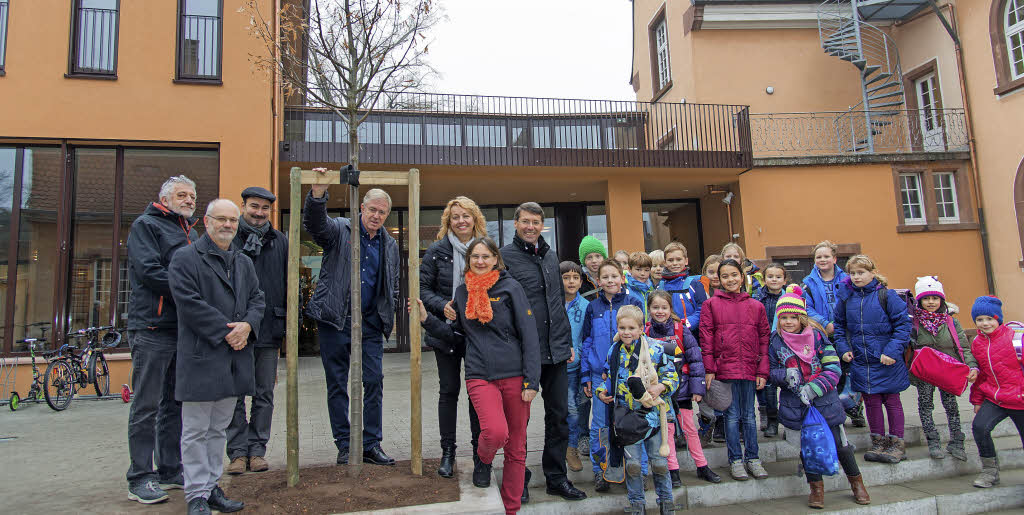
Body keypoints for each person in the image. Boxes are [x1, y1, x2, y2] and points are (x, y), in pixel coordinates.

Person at [417, 236, 540, 515]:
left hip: (515, 376)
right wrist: (428, 319)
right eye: (475, 257)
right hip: (479, 374)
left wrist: (532, 381)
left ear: (496, 259)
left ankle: (511, 509)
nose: (481, 261)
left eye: (486, 256)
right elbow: (456, 337)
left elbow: (530, 336)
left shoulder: (511, 288)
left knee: (517, 449)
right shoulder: (462, 293)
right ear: (468, 261)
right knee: (495, 432)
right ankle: (483, 459)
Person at [169, 199, 265, 515]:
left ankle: (211, 487)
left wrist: (249, 325)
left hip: (233, 360)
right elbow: (189, 303)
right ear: (207, 222)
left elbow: (257, 299)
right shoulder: (185, 259)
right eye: (221, 219)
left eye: (232, 221)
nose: (227, 225)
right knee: (195, 430)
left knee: (218, 429)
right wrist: (229, 331)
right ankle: (195, 494)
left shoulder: (242, 262)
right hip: (202, 357)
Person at [304, 184, 400, 467]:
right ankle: (344, 445)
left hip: (369, 323)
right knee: (337, 384)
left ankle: (371, 444)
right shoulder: (340, 230)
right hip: (336, 320)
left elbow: (392, 283)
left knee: (373, 381)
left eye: (382, 212)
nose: (376, 216)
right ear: (361, 208)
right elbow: (315, 224)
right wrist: (318, 196)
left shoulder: (389, 244)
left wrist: (388, 310)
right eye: (372, 210)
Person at [500, 203, 586, 501]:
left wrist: (568, 343)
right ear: (516, 223)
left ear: (542, 225)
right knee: (518, 421)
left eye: (536, 222)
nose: (531, 227)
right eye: (525, 221)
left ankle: (556, 477)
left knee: (559, 417)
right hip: (524, 355)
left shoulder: (551, 257)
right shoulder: (505, 259)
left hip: (557, 351)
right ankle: (517, 479)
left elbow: (556, 304)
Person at [125, 175, 198, 504]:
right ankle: (140, 476)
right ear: (165, 199)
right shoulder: (146, 226)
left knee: (174, 403)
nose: (189, 200)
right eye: (182, 195)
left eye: (192, 196)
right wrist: (191, 293)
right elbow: (149, 271)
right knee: (146, 405)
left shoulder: (190, 232)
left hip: (181, 329)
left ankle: (170, 468)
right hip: (152, 327)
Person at [767, 286, 869, 509]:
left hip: (824, 401)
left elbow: (833, 368)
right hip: (796, 403)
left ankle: (857, 483)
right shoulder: (775, 341)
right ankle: (816, 489)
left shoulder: (817, 336)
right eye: (783, 317)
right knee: (808, 447)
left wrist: (815, 387)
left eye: (793, 317)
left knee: (841, 445)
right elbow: (771, 371)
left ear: (802, 317)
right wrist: (784, 375)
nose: (788, 322)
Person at [420, 197, 487, 479]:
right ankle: (448, 452)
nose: (461, 221)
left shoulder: (484, 249)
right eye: (455, 217)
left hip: (478, 333)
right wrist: (441, 304)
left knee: (477, 394)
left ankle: (478, 452)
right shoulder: (436, 251)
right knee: (448, 391)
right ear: (449, 221)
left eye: (466, 216)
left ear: (474, 219)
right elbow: (422, 289)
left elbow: (498, 282)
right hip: (445, 332)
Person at [226, 187, 287, 475]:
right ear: (243, 206)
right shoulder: (228, 238)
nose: (259, 213)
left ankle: (257, 450)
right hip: (235, 330)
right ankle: (237, 453)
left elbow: (288, 283)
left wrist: (286, 324)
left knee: (264, 393)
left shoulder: (280, 241)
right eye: (254, 206)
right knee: (235, 393)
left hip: (268, 329)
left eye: (265, 208)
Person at [596, 305, 678, 515]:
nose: (626, 332)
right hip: (626, 417)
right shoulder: (613, 351)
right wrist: (601, 392)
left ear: (641, 328)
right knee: (632, 465)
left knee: (659, 463)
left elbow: (673, 377)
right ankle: (636, 503)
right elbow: (607, 376)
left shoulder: (656, 349)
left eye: (631, 327)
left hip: (652, 417)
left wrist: (660, 386)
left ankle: (666, 502)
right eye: (622, 327)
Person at [835, 255, 911, 463]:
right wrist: (843, 348)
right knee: (871, 402)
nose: (856, 277)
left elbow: (903, 327)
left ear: (872, 273)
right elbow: (839, 326)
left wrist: (891, 352)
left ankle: (897, 443)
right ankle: (878, 441)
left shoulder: (887, 296)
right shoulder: (846, 298)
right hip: (861, 360)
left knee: (892, 401)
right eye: (853, 273)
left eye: (861, 272)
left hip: (886, 359)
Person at [699, 259, 770, 481]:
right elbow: (706, 338)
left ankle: (753, 458)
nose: (730, 279)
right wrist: (709, 368)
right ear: (719, 279)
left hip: (749, 368)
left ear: (742, 276)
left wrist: (762, 371)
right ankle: (736, 460)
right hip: (724, 368)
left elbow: (764, 339)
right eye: (725, 276)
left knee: (749, 416)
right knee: (731, 417)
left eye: (734, 275)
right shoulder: (710, 305)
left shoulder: (756, 306)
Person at [580, 259, 644, 491]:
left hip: (628, 376)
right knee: (600, 424)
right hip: (600, 376)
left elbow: (642, 338)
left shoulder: (633, 302)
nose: (610, 280)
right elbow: (586, 341)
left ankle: (639, 469)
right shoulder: (592, 307)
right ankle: (601, 470)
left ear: (622, 278)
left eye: (614, 276)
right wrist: (586, 373)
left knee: (632, 422)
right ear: (598, 281)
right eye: (605, 277)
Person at [645, 290, 721, 485]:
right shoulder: (646, 333)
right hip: (662, 393)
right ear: (649, 310)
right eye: (655, 307)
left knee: (690, 429)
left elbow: (695, 359)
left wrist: (698, 388)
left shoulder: (681, 330)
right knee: (667, 431)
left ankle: (702, 465)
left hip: (684, 389)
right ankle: (673, 470)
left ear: (671, 309)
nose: (660, 311)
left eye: (664, 307)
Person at [910, 276, 977, 461]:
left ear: (941, 300)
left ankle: (957, 442)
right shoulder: (914, 323)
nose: (931, 302)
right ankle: (933, 442)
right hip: (924, 373)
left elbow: (963, 347)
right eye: (926, 298)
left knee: (951, 406)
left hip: (948, 371)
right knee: (925, 406)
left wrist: (972, 366)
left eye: (935, 298)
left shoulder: (951, 323)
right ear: (919, 300)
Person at [801, 240, 865, 428]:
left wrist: (842, 323)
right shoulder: (808, 284)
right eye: (818, 257)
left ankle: (854, 409)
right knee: (830, 372)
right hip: (824, 335)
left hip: (847, 333)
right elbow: (807, 308)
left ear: (834, 258)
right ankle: (834, 411)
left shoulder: (847, 280)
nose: (823, 260)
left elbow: (854, 302)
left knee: (851, 371)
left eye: (826, 256)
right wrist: (824, 324)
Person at [968, 296, 1024, 488]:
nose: (985, 323)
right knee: (979, 427)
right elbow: (981, 375)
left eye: (989, 319)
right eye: (980, 320)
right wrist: (977, 400)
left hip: (1020, 398)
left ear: (998, 319)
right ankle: (990, 472)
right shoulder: (977, 342)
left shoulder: (1016, 338)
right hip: (995, 398)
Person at [561, 261, 590, 473]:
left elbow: (587, 337)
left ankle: (580, 439)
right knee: (569, 409)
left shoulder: (586, 306)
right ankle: (570, 448)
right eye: (566, 277)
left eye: (575, 278)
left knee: (582, 406)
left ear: (581, 281)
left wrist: (580, 354)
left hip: (582, 366)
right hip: (562, 369)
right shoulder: (553, 304)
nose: (571, 282)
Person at [753, 263, 787, 438]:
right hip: (766, 346)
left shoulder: (790, 297)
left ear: (784, 279)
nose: (774, 280)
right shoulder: (759, 298)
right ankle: (772, 419)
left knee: (790, 385)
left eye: (778, 277)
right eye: (770, 277)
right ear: (764, 279)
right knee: (769, 385)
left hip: (787, 345)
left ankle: (789, 421)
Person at [657, 242, 701, 334]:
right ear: (665, 262)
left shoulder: (694, 284)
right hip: (666, 334)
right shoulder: (660, 286)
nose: (675, 263)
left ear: (686, 261)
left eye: (678, 259)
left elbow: (702, 309)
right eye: (670, 260)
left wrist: (686, 324)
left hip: (691, 334)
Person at [626, 251, 655, 319]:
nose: (642, 273)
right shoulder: (626, 288)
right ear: (629, 269)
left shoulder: (651, 289)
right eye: (638, 269)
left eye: (646, 270)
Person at [578, 235, 607, 301]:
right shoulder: (578, 279)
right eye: (589, 257)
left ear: (604, 258)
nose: (594, 261)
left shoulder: (611, 276)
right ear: (584, 261)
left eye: (598, 256)